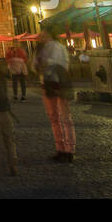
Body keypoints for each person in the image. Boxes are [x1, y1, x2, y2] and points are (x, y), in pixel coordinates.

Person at [34, 25, 75, 162]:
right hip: (48, 84)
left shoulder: (56, 46)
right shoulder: (42, 48)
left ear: (49, 35)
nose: (40, 36)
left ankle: (69, 150)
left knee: (64, 118)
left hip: (59, 84)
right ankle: (61, 148)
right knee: (54, 117)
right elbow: (35, 66)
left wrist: (41, 62)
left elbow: (55, 64)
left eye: (43, 34)